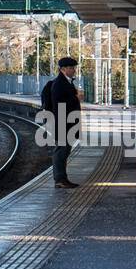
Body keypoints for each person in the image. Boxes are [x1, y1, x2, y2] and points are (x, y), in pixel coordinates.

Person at [39, 56, 81, 187]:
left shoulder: (67, 82)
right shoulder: (59, 84)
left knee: (64, 151)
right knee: (61, 151)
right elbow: (59, 104)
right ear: (63, 69)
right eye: (71, 68)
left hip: (66, 121)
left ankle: (62, 179)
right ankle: (60, 179)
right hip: (62, 121)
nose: (74, 70)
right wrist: (76, 98)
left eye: (74, 67)